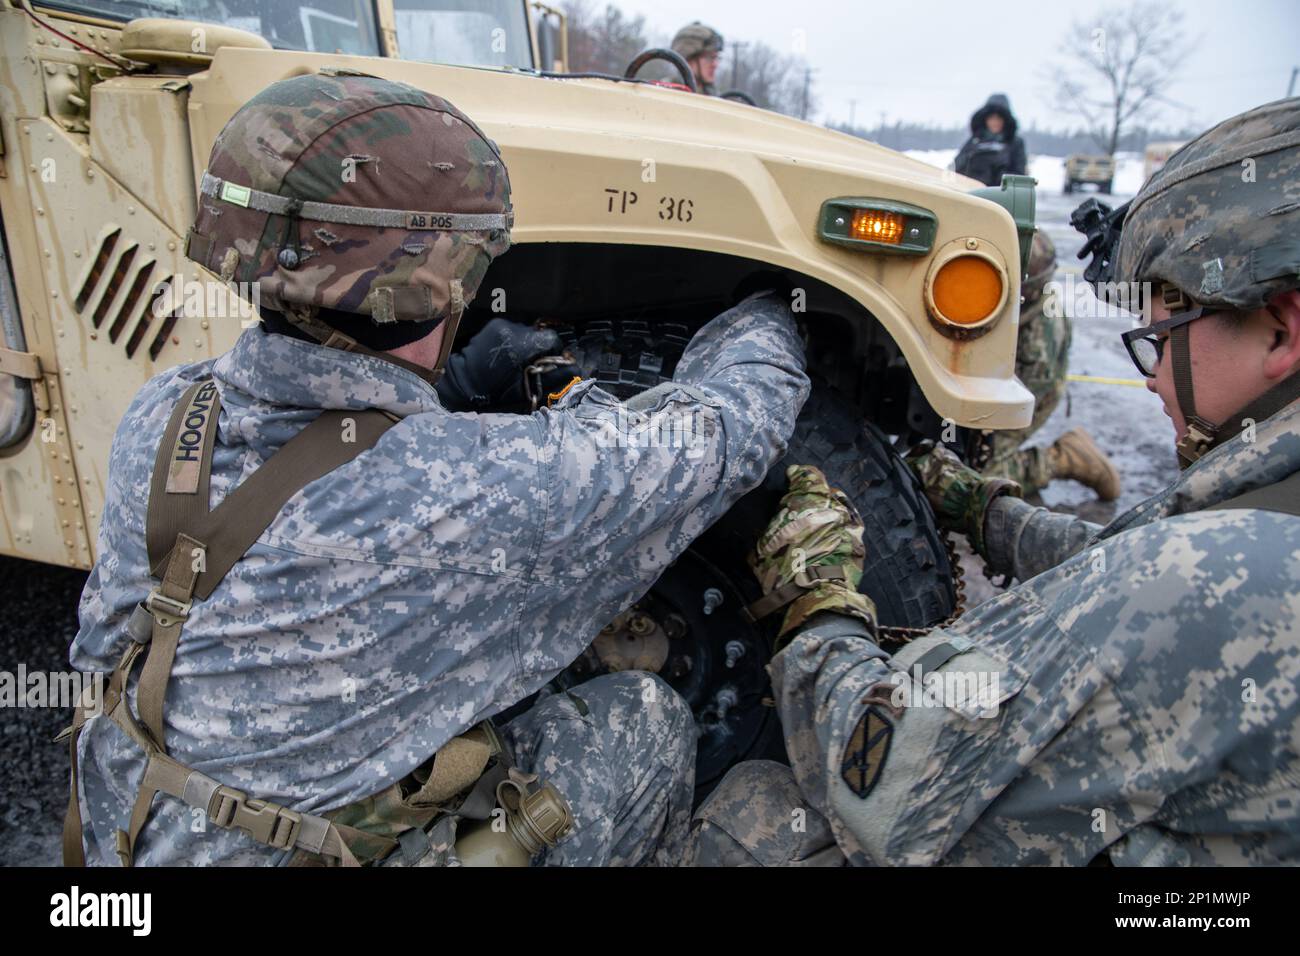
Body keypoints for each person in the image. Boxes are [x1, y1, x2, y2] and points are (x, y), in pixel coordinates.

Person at [61, 73, 810, 867]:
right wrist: (778, 303)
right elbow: (733, 426)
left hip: (125, 842)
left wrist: (430, 395)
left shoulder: (163, 412)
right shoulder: (466, 485)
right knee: (641, 719)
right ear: (444, 276)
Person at [688, 97, 1300, 866]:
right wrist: (988, 515)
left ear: (1281, 330)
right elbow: (1145, 562)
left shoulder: (1195, 580)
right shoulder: (1256, 532)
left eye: (1159, 340)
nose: (1150, 383)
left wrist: (819, 607)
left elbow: (875, 783)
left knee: (759, 817)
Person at [976, 230, 1121, 500]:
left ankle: (1067, 458)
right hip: (997, 386)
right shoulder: (1019, 306)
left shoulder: (1038, 341)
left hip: (1024, 399)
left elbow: (1015, 406)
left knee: (978, 479)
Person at [953, 93, 1027, 188]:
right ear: (985, 119)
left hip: (1000, 194)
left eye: (999, 118)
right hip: (971, 192)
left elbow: (1018, 174)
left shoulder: (1015, 143)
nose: (995, 122)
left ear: (1006, 120)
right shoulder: (975, 141)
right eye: (991, 118)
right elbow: (957, 166)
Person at [670, 22, 724, 96]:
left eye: (716, 57)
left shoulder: (716, 98)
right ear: (688, 59)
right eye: (709, 58)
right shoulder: (666, 94)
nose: (715, 64)